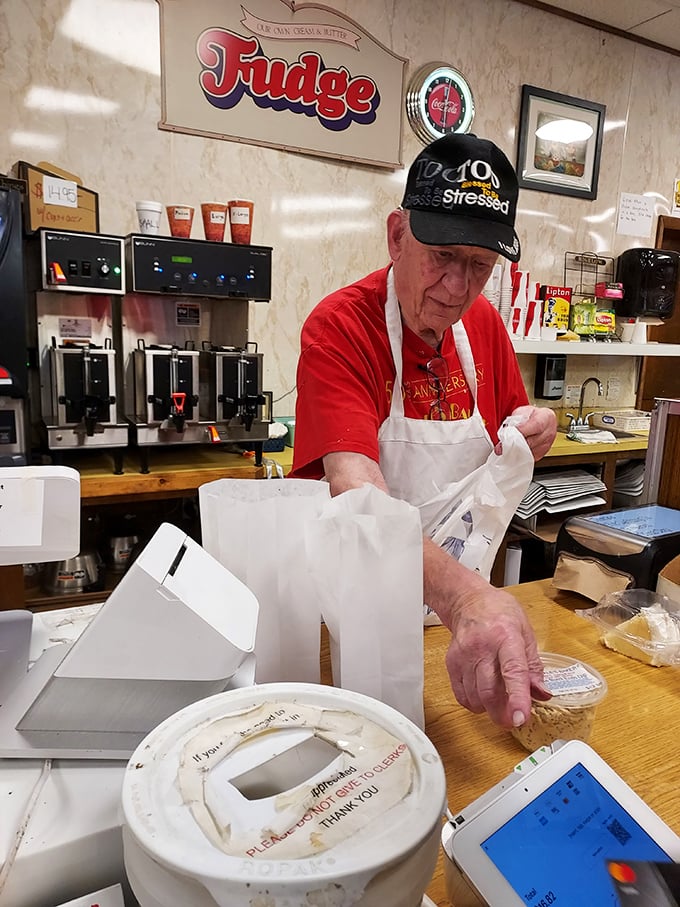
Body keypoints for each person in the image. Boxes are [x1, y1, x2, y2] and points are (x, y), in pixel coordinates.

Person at [290, 133, 557, 729]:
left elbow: (512, 429)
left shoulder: (484, 327)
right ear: (397, 236)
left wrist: (539, 429)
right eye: (443, 256)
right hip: (354, 622)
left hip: (459, 627)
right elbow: (357, 493)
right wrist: (465, 598)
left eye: (480, 266)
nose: (458, 288)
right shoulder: (341, 327)